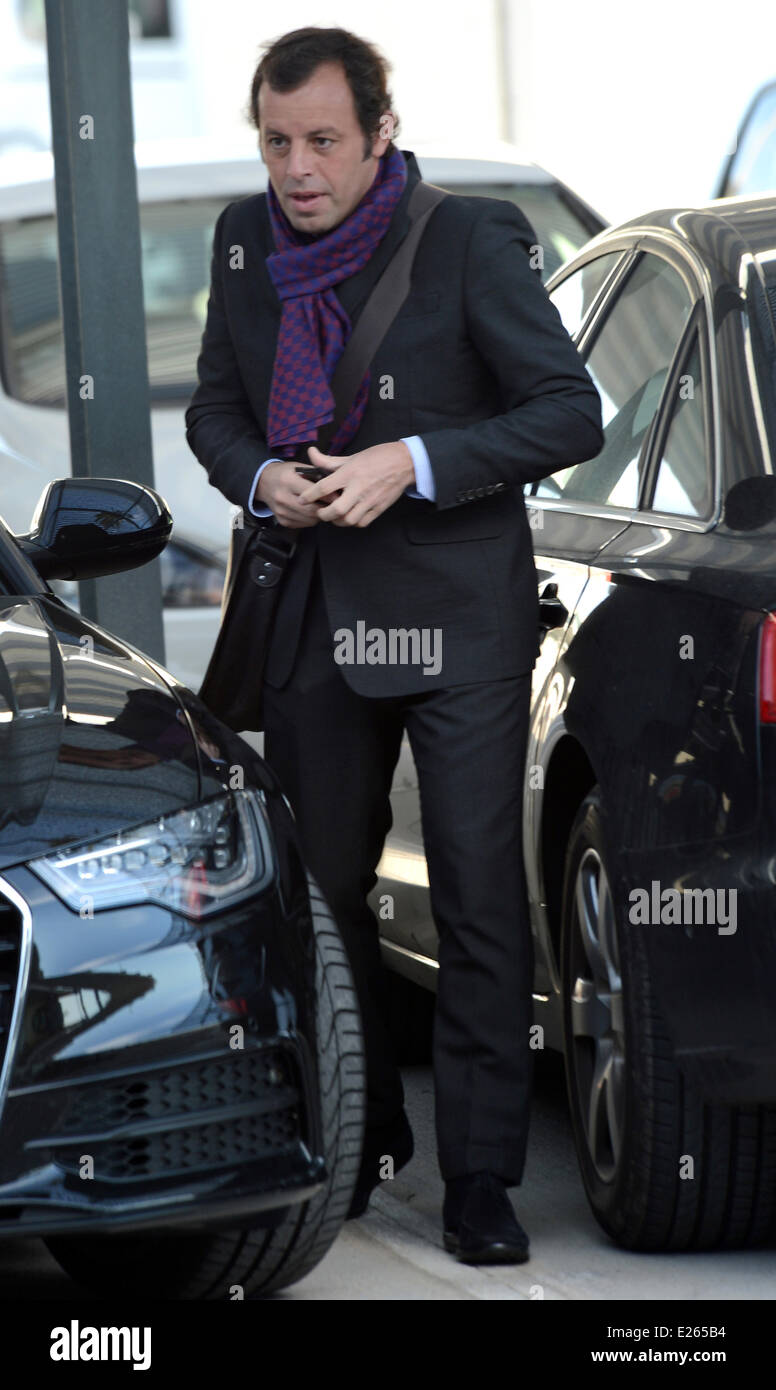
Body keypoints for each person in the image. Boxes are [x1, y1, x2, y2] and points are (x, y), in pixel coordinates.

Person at [186, 25, 604, 1265]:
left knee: (479, 894)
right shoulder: (242, 239)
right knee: (322, 901)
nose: (296, 169)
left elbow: (564, 411)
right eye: (275, 142)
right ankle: (362, 1142)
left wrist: (409, 463)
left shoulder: (469, 238)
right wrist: (264, 476)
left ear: (379, 132)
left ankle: (480, 1177)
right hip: (314, 614)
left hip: (456, 616)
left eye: (322, 141)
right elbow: (215, 404)